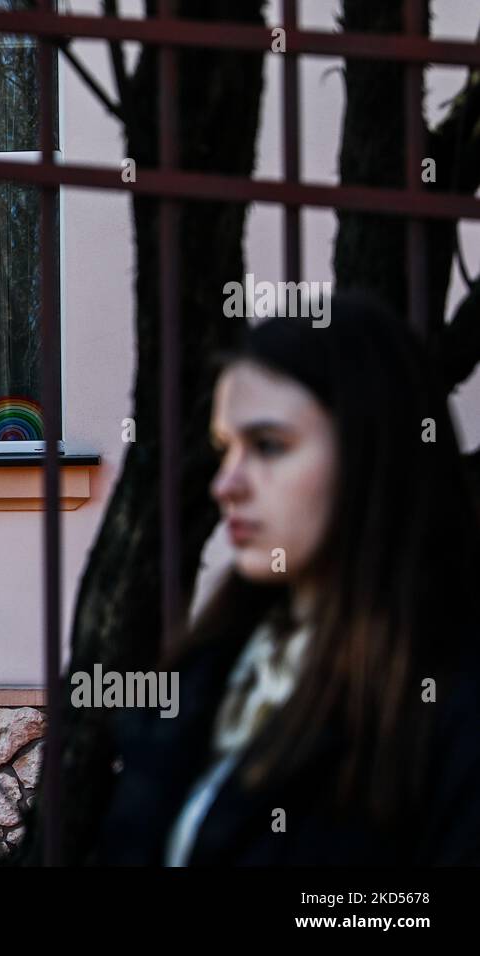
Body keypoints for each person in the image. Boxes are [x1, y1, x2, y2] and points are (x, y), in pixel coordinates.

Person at [93, 290, 480, 865]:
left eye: (268, 445)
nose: (227, 485)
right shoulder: (216, 663)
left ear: (371, 450)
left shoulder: (451, 698)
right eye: (226, 450)